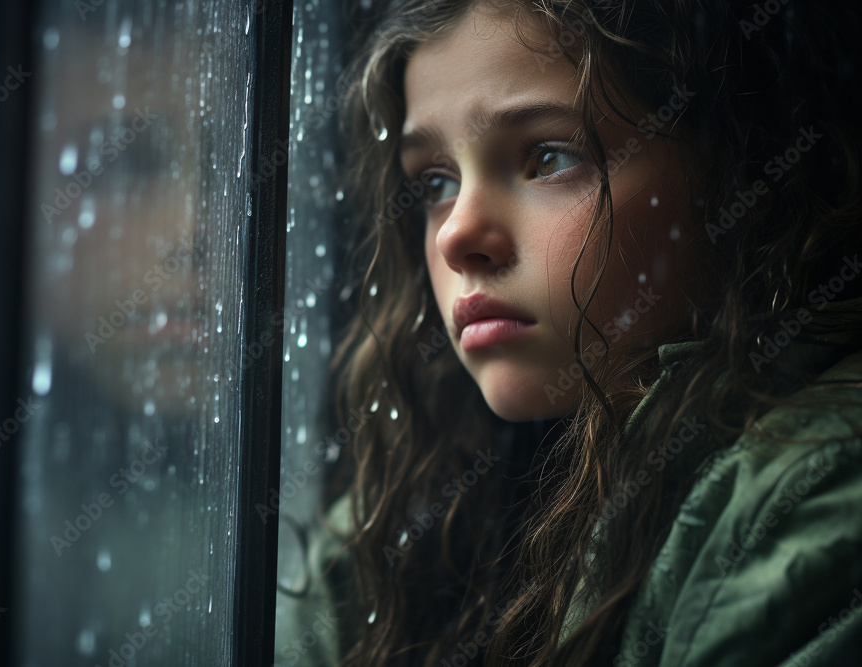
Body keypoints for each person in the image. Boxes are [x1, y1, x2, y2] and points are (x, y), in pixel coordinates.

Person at [278, 0, 862, 665]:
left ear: (738, 170)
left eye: (549, 157)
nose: (456, 235)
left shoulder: (812, 498)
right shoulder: (408, 514)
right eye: (436, 181)